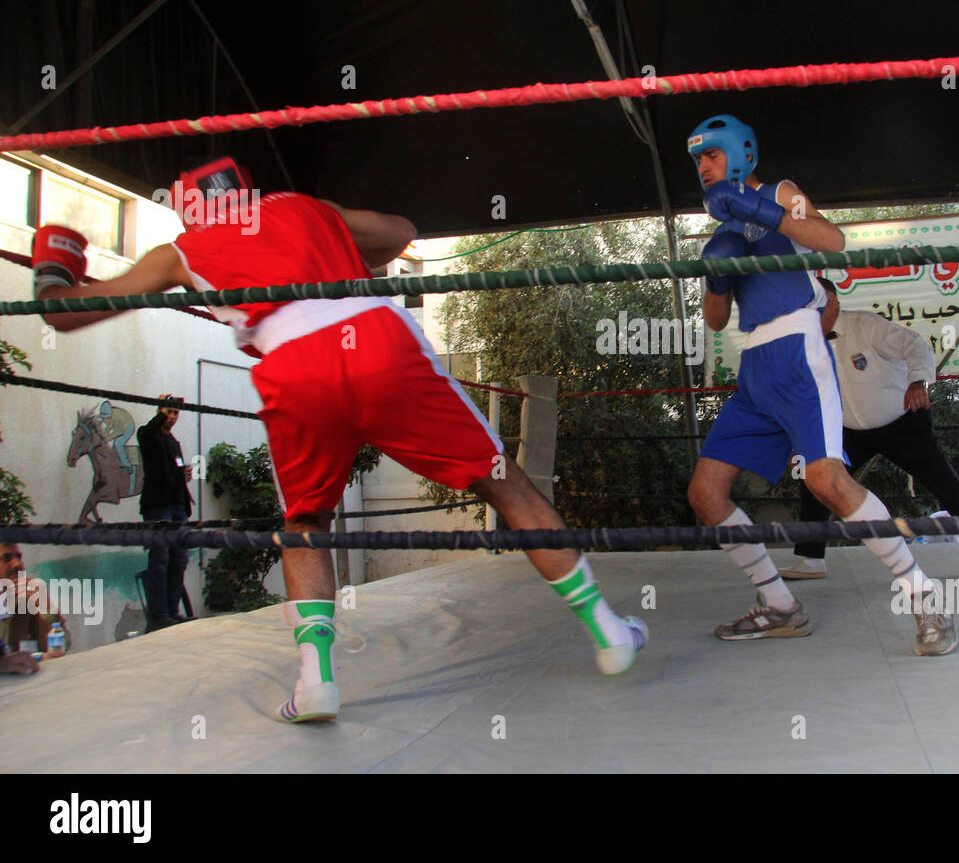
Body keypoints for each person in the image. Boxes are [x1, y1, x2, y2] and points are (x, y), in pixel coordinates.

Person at [31, 156, 646, 721]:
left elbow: (68, 312)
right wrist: (334, 248)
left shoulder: (181, 251)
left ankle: (316, 681)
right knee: (507, 486)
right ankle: (608, 631)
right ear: (248, 193)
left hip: (293, 367)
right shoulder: (301, 208)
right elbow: (400, 230)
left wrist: (54, 270)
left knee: (304, 523)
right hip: (376, 339)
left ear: (189, 210)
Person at [685, 115, 957, 656]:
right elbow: (716, 320)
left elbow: (832, 240)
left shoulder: (779, 192)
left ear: (740, 152)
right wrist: (716, 275)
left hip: (799, 352)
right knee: (705, 494)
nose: (703, 167)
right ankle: (779, 606)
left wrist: (764, 211)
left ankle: (926, 600)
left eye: (710, 155)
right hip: (755, 366)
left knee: (826, 481)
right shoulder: (721, 233)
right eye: (697, 160)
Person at [783, 279, 959, 579]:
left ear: (834, 302)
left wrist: (919, 381)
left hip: (901, 420)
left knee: (947, 486)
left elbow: (915, 345)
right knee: (817, 480)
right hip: (847, 429)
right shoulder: (804, 342)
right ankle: (810, 559)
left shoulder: (865, 324)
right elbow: (805, 394)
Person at [138, 393, 195, 631]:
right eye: (169, 412)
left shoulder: (173, 442)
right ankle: (159, 614)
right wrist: (159, 413)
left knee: (179, 558)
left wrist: (185, 475)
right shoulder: (147, 433)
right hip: (158, 505)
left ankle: (172, 611)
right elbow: (150, 431)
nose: (172, 417)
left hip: (177, 505)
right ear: (160, 411)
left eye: (175, 414)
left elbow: (177, 469)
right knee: (160, 559)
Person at [0, 542, 65, 669]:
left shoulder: (25, 603)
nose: (17, 564)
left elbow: (59, 648)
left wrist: (47, 608)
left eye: (18, 557)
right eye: (6, 558)